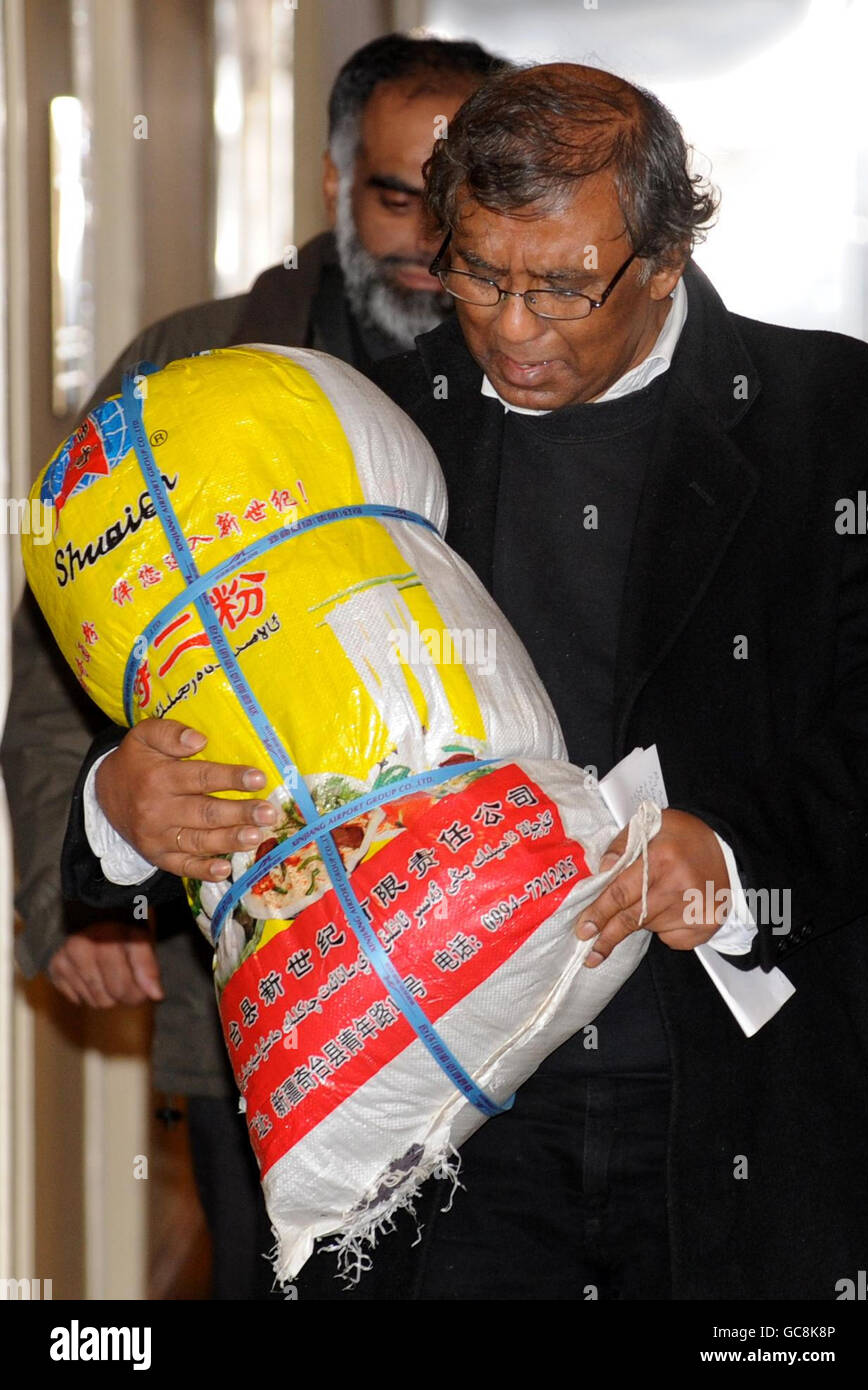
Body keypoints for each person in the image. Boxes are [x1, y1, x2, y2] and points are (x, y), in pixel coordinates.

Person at [60, 62, 868, 1300]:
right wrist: (118, 815)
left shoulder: (836, 420)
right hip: (448, 1140)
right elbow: (206, 699)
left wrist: (731, 860)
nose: (508, 326)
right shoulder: (369, 432)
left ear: (663, 259)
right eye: (477, 273)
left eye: (560, 285)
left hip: (733, 1120)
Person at [0, 31, 507, 1300]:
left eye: (456, 204)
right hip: (256, 997)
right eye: (397, 196)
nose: (427, 242)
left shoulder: (536, 369)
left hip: (508, 956)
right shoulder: (186, 374)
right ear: (336, 184)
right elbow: (60, 648)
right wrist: (72, 891)